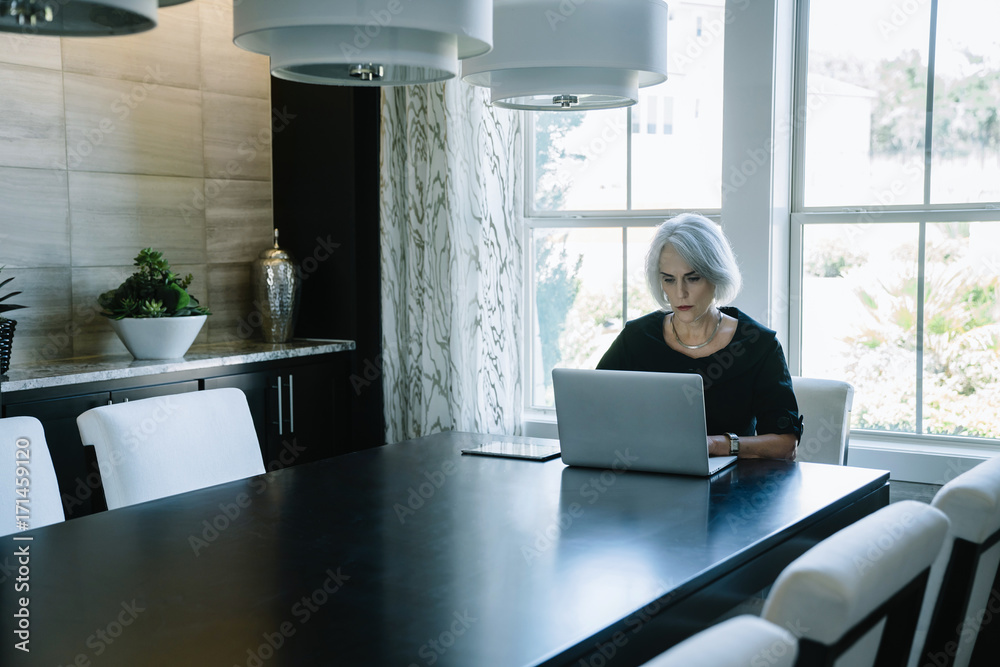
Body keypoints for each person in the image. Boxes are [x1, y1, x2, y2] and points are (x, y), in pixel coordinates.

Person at [597, 213, 801, 460]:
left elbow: (785, 445)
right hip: (649, 479)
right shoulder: (637, 338)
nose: (680, 293)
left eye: (693, 278)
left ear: (716, 275)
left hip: (733, 488)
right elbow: (595, 410)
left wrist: (716, 445)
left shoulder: (757, 344)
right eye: (669, 280)